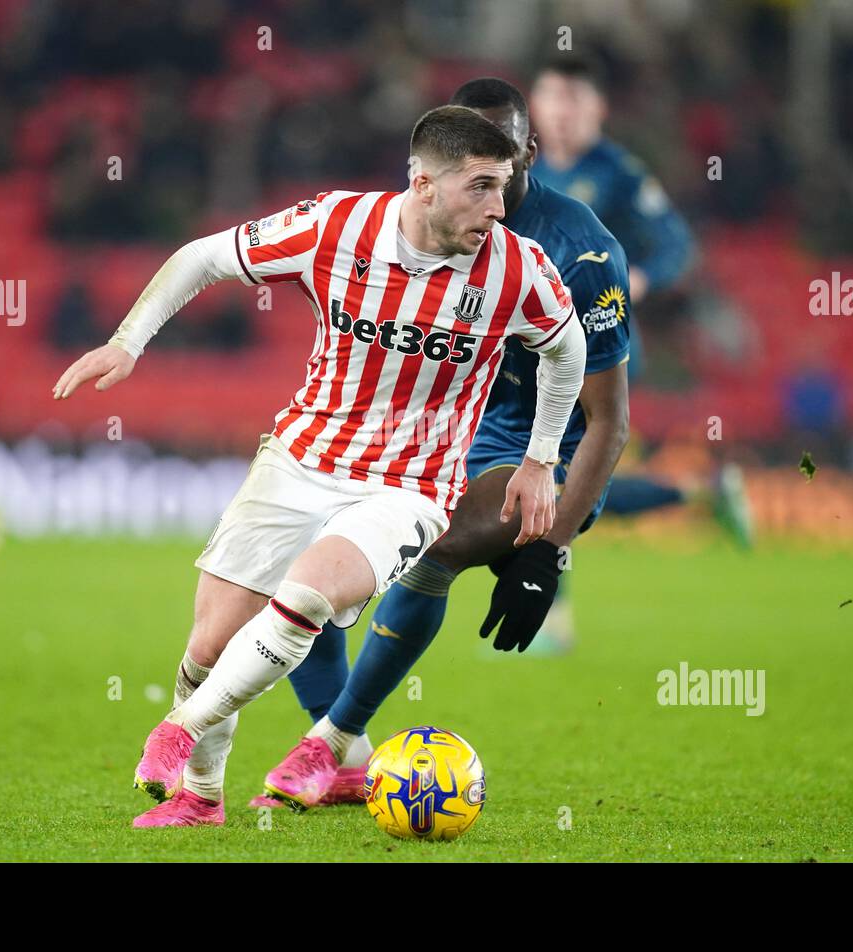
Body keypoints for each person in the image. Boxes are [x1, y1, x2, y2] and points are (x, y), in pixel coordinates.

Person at [51, 105, 587, 828]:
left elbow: (566, 347)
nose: (499, 207)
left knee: (307, 598)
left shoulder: (516, 267)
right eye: (481, 187)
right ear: (424, 183)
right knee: (207, 648)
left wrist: (541, 458)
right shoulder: (335, 226)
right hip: (300, 459)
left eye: (505, 185)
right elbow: (203, 257)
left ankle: (176, 732)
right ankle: (201, 798)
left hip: (410, 486)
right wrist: (128, 342)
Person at [254, 76, 634, 811]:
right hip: (434, 430)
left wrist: (547, 546)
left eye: (500, 152)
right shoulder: (418, 224)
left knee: (435, 544)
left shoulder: (582, 251)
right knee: (294, 552)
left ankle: (325, 746)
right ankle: (351, 757)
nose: (482, 169)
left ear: (529, 149)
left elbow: (610, 420)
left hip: (535, 446)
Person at [531, 58, 753, 588]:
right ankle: (699, 492)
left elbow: (677, 242)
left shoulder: (619, 172)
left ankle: (545, 611)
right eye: (552, 99)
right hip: (533, 340)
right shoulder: (524, 171)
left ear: (598, 109)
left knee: (553, 475)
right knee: (564, 482)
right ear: (535, 107)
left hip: (596, 337)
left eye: (574, 100)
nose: (562, 113)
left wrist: (642, 279)